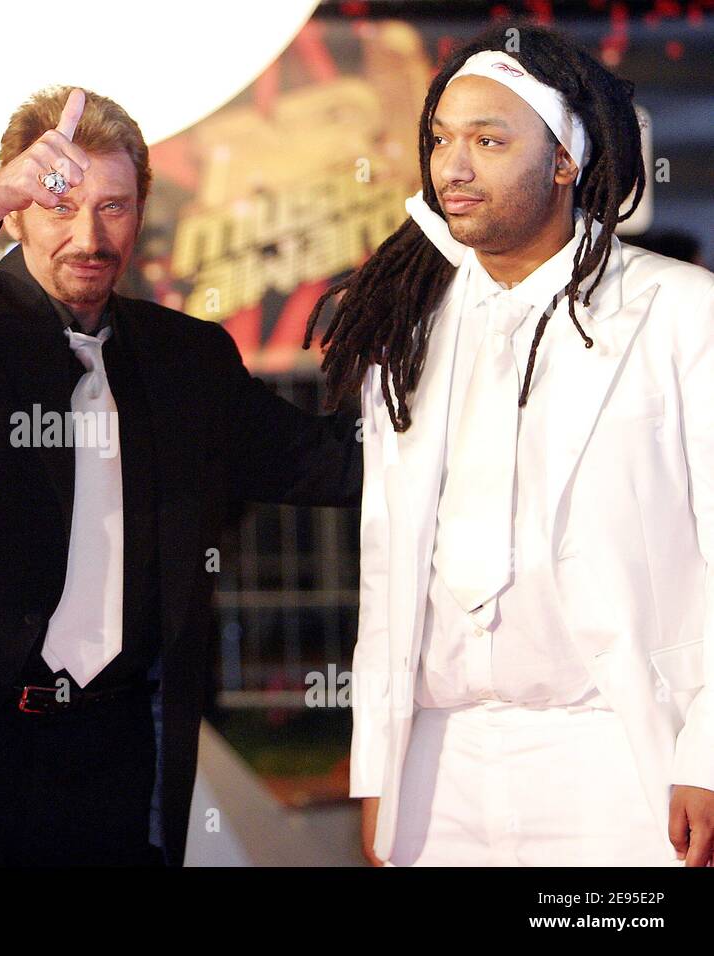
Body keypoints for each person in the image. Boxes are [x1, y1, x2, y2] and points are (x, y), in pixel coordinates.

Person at [0, 87, 362, 866]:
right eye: (60, 205)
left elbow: (327, 462)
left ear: (143, 210)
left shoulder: (186, 358)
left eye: (114, 208)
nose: (88, 236)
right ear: (18, 211)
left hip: (119, 760)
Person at [305, 24, 714, 866]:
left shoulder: (679, 310)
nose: (453, 167)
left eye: (489, 141)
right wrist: (380, 763)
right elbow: (388, 565)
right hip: (440, 761)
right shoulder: (405, 327)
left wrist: (706, 754)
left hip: (616, 750)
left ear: (567, 160)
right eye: (441, 140)